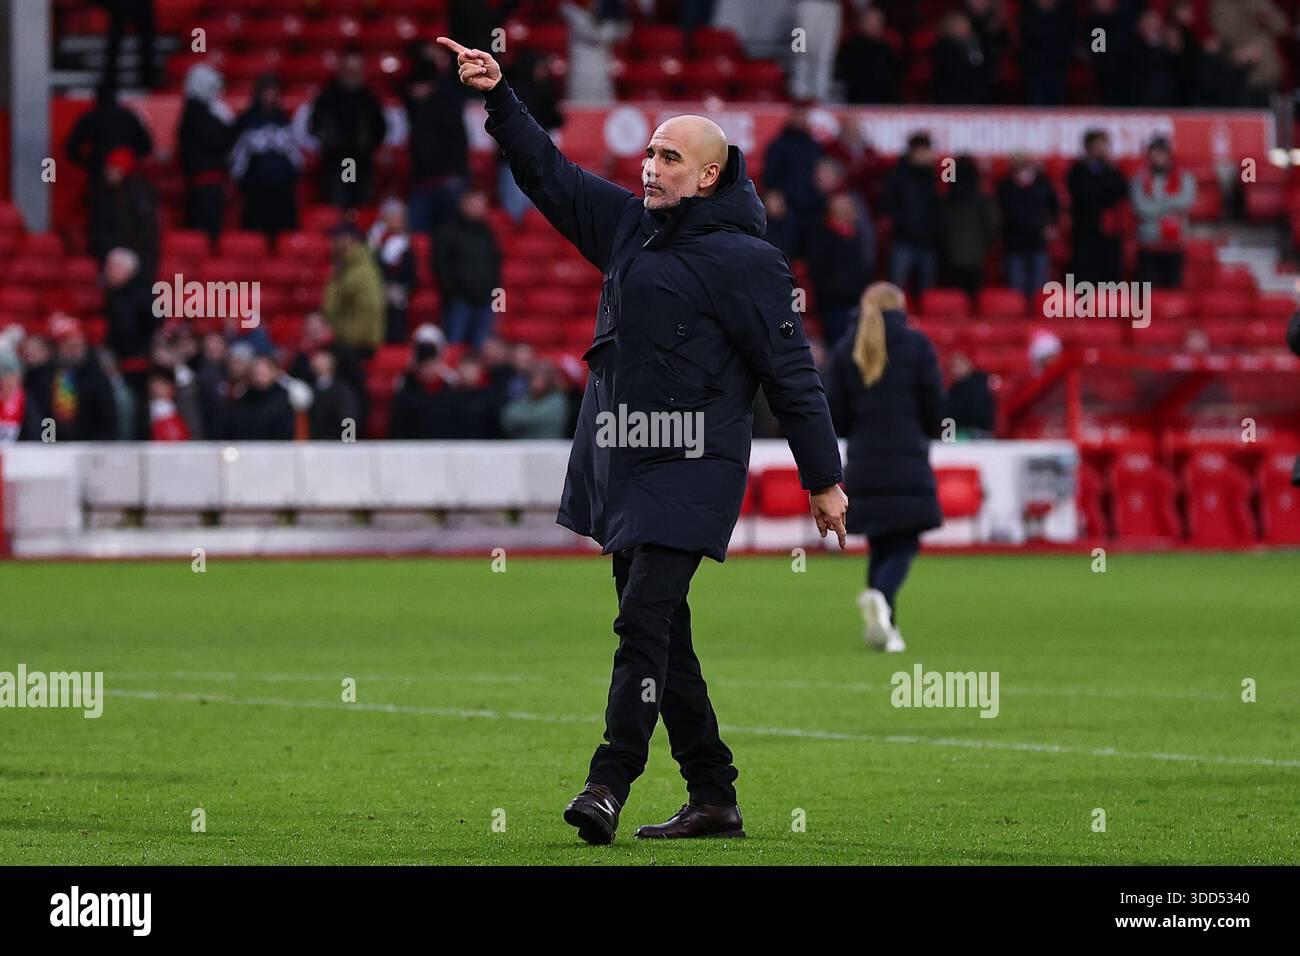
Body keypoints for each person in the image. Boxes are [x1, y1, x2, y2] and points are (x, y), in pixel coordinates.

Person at [440, 33, 846, 844]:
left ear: (709, 175)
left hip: (694, 467)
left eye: (668, 157)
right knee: (665, 634)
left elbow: (791, 374)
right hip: (623, 462)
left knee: (641, 625)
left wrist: (822, 477)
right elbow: (549, 176)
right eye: (649, 153)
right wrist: (499, 96)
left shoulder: (749, 262)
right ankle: (714, 793)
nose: (650, 167)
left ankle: (607, 782)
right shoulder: (632, 228)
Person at [825, 283, 943, 653]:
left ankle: (886, 627)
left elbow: (835, 415)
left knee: (881, 543)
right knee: (904, 543)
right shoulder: (918, 346)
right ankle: (881, 597)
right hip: (907, 460)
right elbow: (935, 407)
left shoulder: (846, 350)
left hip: (864, 462)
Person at [403, 40, 469, 236]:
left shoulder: (450, 92)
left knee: (450, 236)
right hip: (423, 180)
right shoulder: (414, 101)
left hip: (450, 179)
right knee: (417, 239)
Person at [308, 51, 388, 207]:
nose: (353, 74)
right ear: (341, 69)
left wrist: (369, 144)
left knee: (362, 204)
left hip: (362, 160)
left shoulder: (368, 97)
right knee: (340, 202)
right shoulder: (328, 96)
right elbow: (315, 125)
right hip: (338, 161)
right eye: (349, 69)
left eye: (356, 69)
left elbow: (380, 127)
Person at [231, 74, 302, 243]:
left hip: (282, 187)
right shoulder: (246, 119)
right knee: (255, 234)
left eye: (273, 92)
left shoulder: (284, 119)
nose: (270, 96)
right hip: (257, 188)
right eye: (266, 92)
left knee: (284, 233)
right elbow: (236, 158)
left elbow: (296, 157)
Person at [433, 190, 501, 349]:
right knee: (454, 347)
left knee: (483, 349)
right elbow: (441, 266)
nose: (479, 208)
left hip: (485, 301)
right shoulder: (448, 232)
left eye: (482, 205)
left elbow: (496, 266)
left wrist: (497, 300)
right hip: (459, 301)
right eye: (475, 204)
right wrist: (453, 293)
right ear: (463, 204)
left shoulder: (488, 234)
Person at [103, 247, 158, 439]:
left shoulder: (143, 296)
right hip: (122, 365)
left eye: (112, 267)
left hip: (139, 367)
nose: (107, 271)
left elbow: (154, 329)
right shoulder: (114, 296)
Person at [806, 192, 873, 349]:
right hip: (831, 303)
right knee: (837, 345)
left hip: (855, 300)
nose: (848, 211)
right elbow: (816, 267)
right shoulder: (821, 234)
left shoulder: (859, 236)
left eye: (849, 207)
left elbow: (865, 265)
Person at [178, 63, 236, 241]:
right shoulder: (198, 118)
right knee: (204, 236)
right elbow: (222, 142)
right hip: (205, 185)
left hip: (207, 183)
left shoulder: (196, 115)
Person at [1131, 137, 1196, 289]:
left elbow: (1185, 202)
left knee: (1173, 294)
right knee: (1149, 295)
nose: (1158, 158)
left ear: (1168, 155)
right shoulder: (1139, 180)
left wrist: (1156, 203)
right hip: (1149, 245)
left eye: (1161, 153)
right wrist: (1170, 205)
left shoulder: (1185, 178)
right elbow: (1141, 209)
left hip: (1175, 245)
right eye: (1154, 154)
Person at [88, 146, 159, 281]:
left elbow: (147, 230)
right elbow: (98, 229)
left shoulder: (140, 193)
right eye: (108, 169)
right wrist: (111, 252)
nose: (109, 173)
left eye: (113, 169)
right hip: (110, 253)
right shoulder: (102, 195)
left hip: (139, 255)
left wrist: (130, 254)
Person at [1067, 130, 1128, 284]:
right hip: (1085, 234)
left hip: (1109, 235)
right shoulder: (1077, 171)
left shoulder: (1112, 170)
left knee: (1110, 280)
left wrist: (1111, 169)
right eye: (1098, 144)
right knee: (1085, 280)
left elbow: (1122, 192)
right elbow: (1085, 194)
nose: (1102, 148)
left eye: (1104, 144)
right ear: (1088, 147)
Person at [883, 132, 940, 297]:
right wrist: (902, 225)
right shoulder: (897, 175)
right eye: (922, 151)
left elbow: (941, 204)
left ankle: (929, 324)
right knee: (895, 292)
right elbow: (887, 204)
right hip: (902, 241)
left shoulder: (934, 177)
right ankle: (894, 322)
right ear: (912, 152)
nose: (926, 155)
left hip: (928, 242)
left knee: (928, 294)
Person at [997, 155, 1059, 300]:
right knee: (1016, 293)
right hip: (1014, 244)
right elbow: (1007, 213)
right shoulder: (1006, 186)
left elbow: (1054, 208)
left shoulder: (1043, 184)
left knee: (1039, 292)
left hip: (1038, 243)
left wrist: (1051, 225)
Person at [322, 224, 385, 357]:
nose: (332, 244)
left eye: (336, 239)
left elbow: (371, 308)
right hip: (347, 339)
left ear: (348, 240)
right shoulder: (346, 265)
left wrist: (344, 335)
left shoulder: (361, 268)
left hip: (356, 343)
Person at [939, 155, 997, 299]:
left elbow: (940, 227)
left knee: (953, 302)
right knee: (973, 302)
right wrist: (984, 246)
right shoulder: (983, 199)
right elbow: (993, 226)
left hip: (950, 255)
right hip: (976, 256)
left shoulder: (947, 200)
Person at [368, 198, 418, 344]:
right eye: (392, 216)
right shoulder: (373, 241)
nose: (396, 220)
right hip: (375, 290)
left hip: (398, 293)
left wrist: (402, 289)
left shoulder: (406, 244)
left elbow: (411, 274)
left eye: (399, 217)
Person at [836, 8, 900, 104]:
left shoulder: (888, 50)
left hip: (885, 104)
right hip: (856, 103)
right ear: (860, 23)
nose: (874, 26)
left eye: (877, 23)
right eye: (870, 22)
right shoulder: (850, 49)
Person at [501, 360, 571, 438]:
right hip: (523, 447)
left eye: (541, 379)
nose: (536, 383)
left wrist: (524, 416)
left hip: (550, 447)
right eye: (534, 379)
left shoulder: (558, 401)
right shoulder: (525, 399)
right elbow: (508, 417)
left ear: (549, 381)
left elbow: (541, 417)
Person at [942, 351, 995, 438]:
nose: (954, 370)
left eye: (957, 365)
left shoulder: (979, 385)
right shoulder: (954, 388)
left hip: (975, 433)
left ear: (968, 363)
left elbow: (978, 417)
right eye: (952, 366)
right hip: (958, 432)